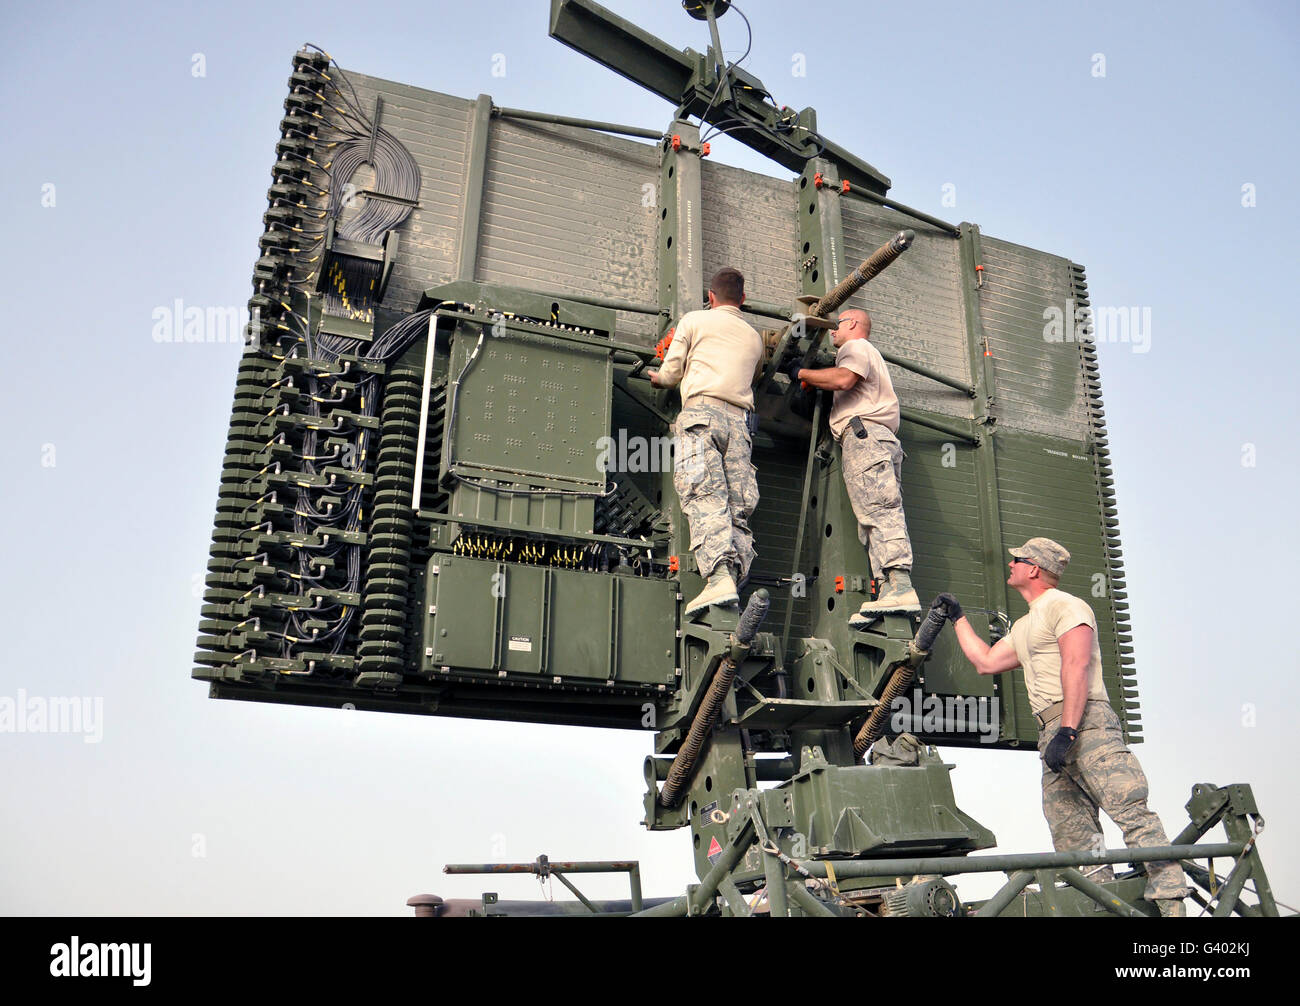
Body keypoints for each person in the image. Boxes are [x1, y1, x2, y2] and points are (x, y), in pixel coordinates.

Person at [932, 536, 1189, 916]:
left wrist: (1068, 730)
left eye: (1018, 560)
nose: (1011, 565)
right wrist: (958, 618)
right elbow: (985, 662)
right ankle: (1102, 906)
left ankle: (1171, 904)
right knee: (1072, 833)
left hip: (1088, 724)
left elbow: (1076, 664)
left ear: (1034, 568)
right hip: (1051, 733)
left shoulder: (1067, 606)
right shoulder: (1025, 625)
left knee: (1131, 812)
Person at [647, 267, 764, 616]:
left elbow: (671, 372)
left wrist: (659, 379)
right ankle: (735, 580)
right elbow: (754, 376)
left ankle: (718, 579)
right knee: (738, 505)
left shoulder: (695, 320)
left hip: (702, 415)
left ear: (711, 296)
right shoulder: (754, 337)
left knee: (704, 494)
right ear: (743, 299)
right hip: (740, 426)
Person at [792, 308, 918, 622]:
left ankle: (900, 585)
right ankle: (889, 592)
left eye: (837, 325)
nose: (833, 331)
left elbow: (844, 379)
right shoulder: (866, 353)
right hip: (872, 438)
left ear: (852, 324)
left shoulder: (855, 347)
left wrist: (802, 374)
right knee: (872, 516)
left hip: (865, 436)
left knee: (878, 511)